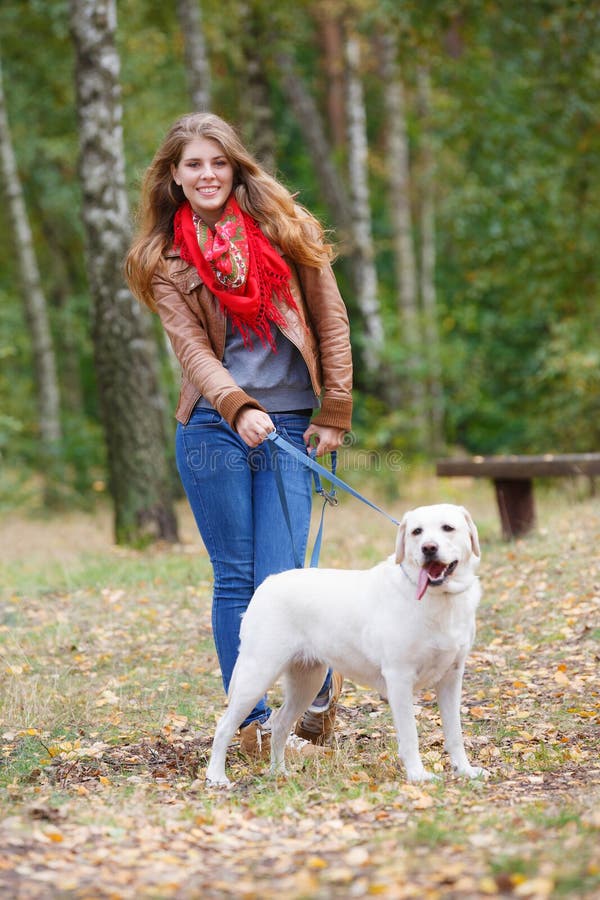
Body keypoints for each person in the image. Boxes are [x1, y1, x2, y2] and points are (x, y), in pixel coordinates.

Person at [125, 112, 352, 757]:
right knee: (236, 579)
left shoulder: (286, 230)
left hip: (291, 424)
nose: (206, 175)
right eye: (192, 164)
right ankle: (250, 726)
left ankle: (311, 705)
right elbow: (193, 349)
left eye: (217, 162)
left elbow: (330, 321)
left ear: (235, 167)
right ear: (174, 175)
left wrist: (333, 411)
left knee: (285, 578)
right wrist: (235, 406)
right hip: (212, 428)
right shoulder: (162, 258)